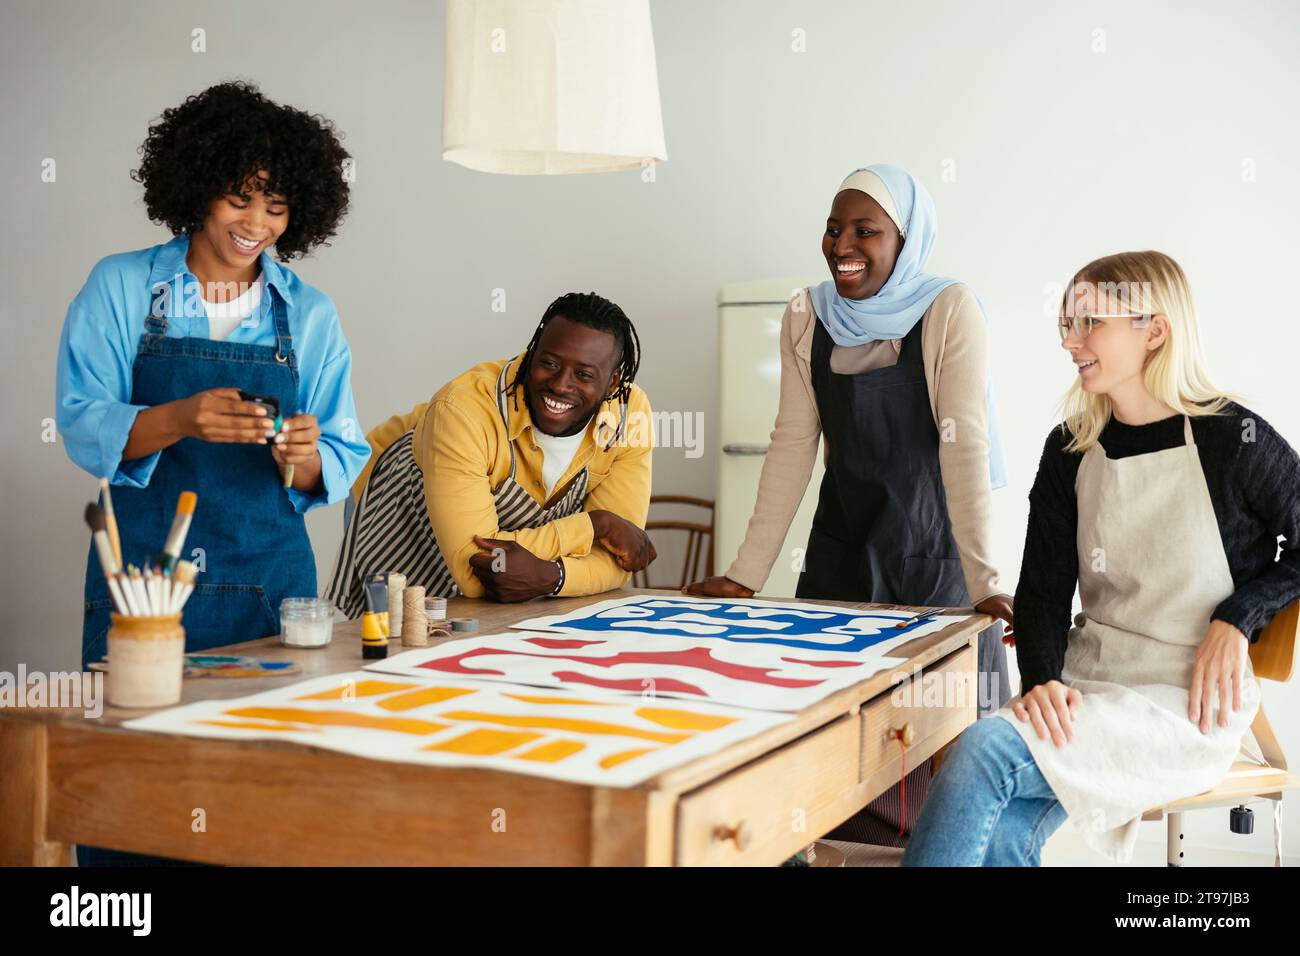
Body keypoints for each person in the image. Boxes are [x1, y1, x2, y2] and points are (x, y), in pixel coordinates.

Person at [56, 80, 369, 866]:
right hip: (146, 591)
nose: (257, 224)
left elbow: (343, 450)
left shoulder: (312, 314)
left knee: (264, 795)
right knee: (134, 787)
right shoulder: (122, 287)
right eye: (240, 198)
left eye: (277, 207)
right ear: (197, 187)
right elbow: (83, 421)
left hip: (272, 592)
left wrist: (304, 460)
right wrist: (180, 417)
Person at [904, 250, 1300, 865]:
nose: (1070, 340)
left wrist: (1239, 616)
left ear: (1154, 331)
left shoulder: (1234, 440)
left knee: (983, 752)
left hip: (1186, 701)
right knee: (1003, 801)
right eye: (1066, 323)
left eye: (1091, 323)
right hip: (1089, 681)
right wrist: (1040, 684)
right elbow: (1042, 591)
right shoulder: (1069, 450)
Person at [685, 164, 1013, 846]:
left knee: (939, 766)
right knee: (824, 750)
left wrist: (987, 585)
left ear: (906, 237)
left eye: (867, 231)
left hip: (934, 559)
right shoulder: (807, 314)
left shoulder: (950, 308)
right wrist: (745, 573)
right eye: (834, 228)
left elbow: (964, 448)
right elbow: (791, 447)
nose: (843, 245)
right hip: (838, 554)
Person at [328, 292, 654, 609]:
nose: (560, 384)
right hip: (400, 505)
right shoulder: (462, 409)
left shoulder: (630, 413)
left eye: (583, 375)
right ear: (531, 355)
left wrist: (550, 576)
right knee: (404, 632)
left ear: (613, 383)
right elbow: (476, 572)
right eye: (549, 363)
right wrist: (597, 526)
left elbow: (619, 560)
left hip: (496, 534)